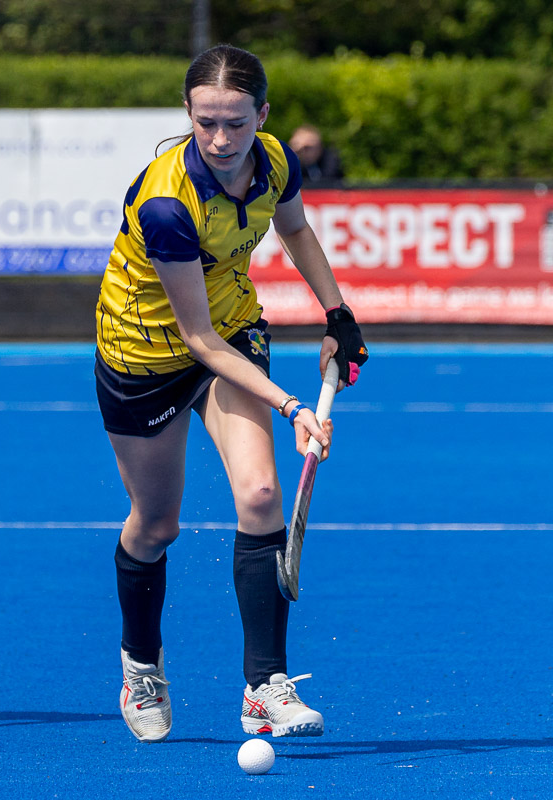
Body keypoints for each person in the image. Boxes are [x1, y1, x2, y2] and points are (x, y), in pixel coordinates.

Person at [95, 44, 368, 743]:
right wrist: (292, 405)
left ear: (263, 115)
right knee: (156, 525)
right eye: (206, 122)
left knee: (261, 494)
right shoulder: (167, 204)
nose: (220, 139)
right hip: (145, 353)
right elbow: (198, 340)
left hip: (234, 330)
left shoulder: (275, 161)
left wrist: (337, 313)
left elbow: (295, 227)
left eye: (237, 123)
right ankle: (141, 662)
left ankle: (263, 686)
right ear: (187, 113)